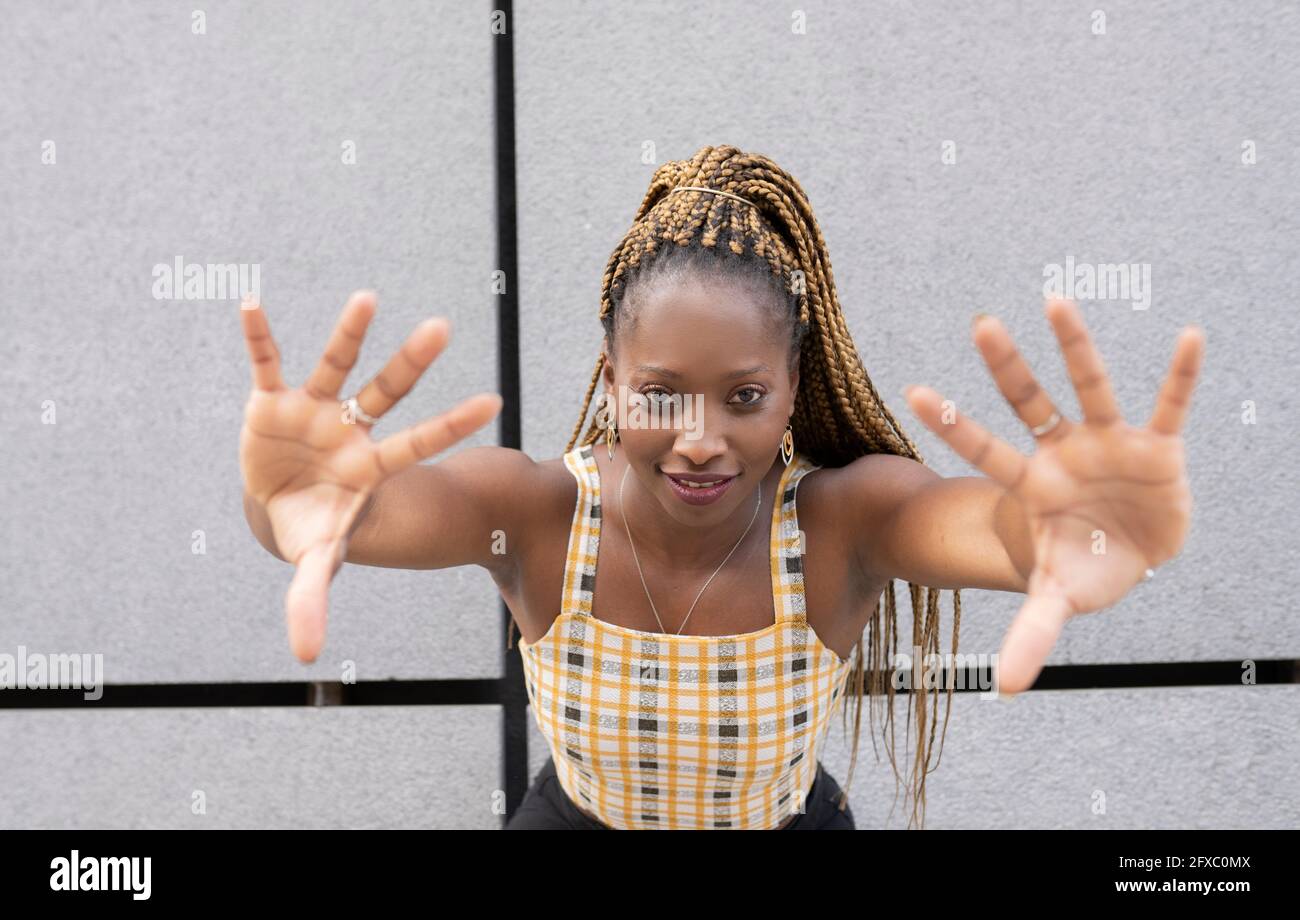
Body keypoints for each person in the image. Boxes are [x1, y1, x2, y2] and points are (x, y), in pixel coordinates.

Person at [238, 144, 1205, 830]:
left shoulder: (843, 525)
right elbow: (344, 519)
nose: (700, 443)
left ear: (791, 387)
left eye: (744, 397)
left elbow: (982, 529)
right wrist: (288, 496)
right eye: (660, 393)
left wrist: (1076, 529)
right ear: (612, 382)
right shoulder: (533, 516)